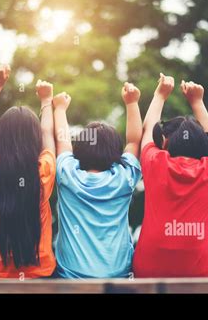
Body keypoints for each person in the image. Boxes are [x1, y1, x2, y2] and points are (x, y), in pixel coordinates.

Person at [133, 73, 208, 277]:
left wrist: (160, 95)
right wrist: (197, 102)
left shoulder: (156, 163)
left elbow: (147, 132)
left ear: (164, 143)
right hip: (199, 271)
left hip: (150, 268)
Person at [53, 82, 143, 278]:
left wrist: (59, 109)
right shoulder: (124, 178)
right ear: (115, 151)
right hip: (117, 279)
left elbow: (62, 141)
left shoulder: (67, 175)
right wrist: (132, 103)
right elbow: (134, 141)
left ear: (80, 149)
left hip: (71, 280)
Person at [0, 65, 57, 279]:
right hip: (41, 276)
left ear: (2, 139)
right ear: (35, 139)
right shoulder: (44, 172)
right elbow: (48, 131)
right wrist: (47, 101)